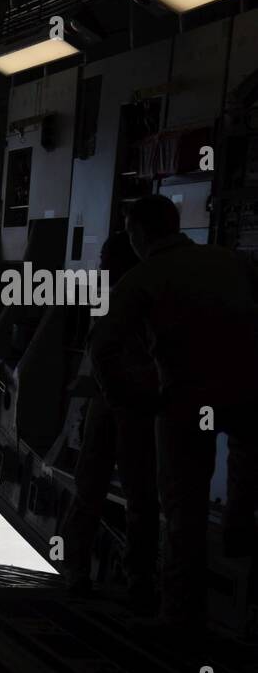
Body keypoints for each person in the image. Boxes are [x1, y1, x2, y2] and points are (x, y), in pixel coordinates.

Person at [91, 194, 258, 630]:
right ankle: (241, 545)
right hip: (248, 395)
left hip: (185, 400)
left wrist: (131, 399)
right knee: (245, 488)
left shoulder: (144, 278)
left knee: (185, 507)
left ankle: (181, 615)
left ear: (139, 233)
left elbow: (103, 347)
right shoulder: (232, 261)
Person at [59, 233, 158, 610]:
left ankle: (76, 570)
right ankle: (140, 580)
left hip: (110, 404)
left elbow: (97, 351)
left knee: (89, 491)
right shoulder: (148, 294)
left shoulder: (114, 297)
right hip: (139, 407)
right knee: (142, 497)